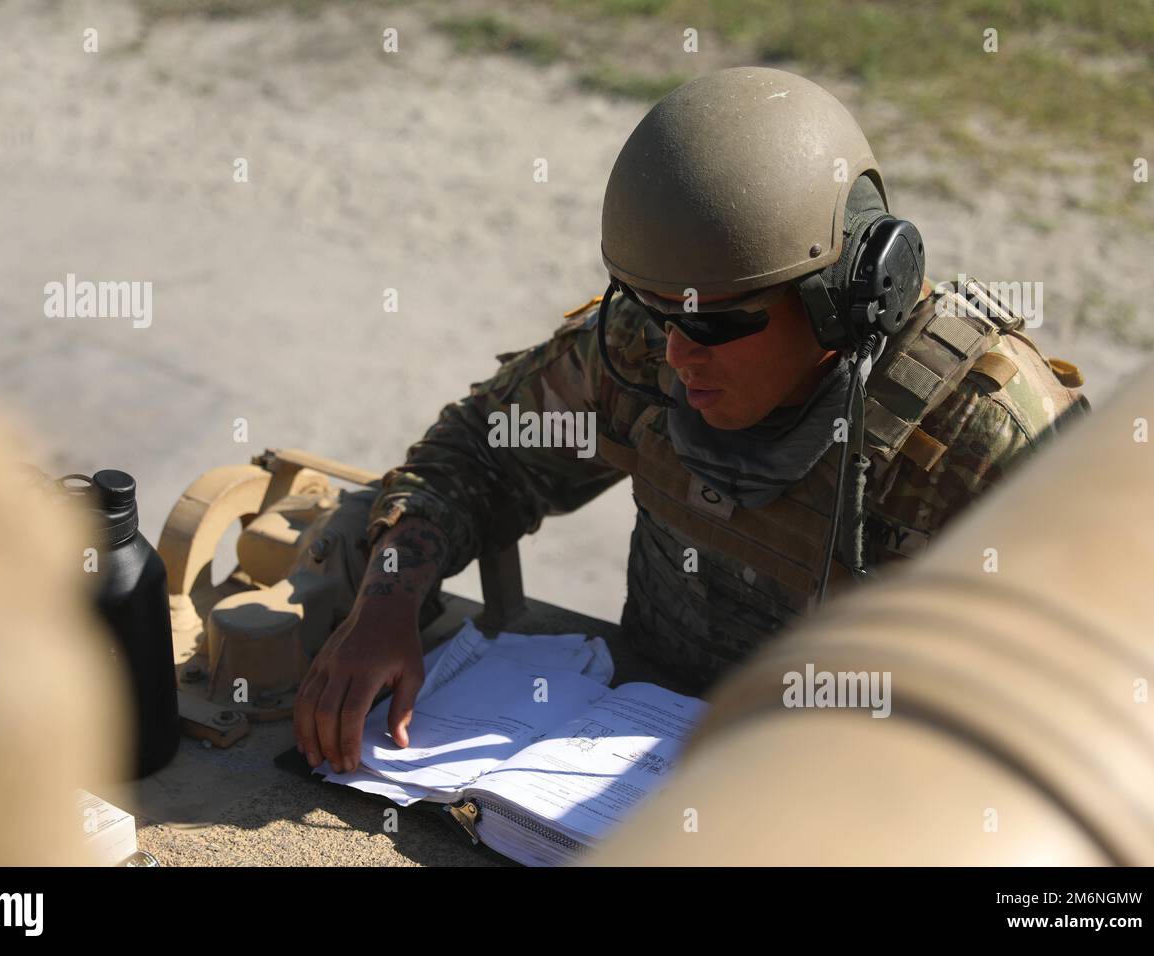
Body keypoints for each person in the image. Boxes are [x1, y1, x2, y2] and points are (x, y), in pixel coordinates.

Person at [293, 67, 1087, 774]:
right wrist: (386, 605)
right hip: (627, 758)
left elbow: (1090, 712)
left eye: (715, 324)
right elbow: (483, 451)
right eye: (657, 310)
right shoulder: (649, 343)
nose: (676, 355)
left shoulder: (983, 436)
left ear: (843, 298)